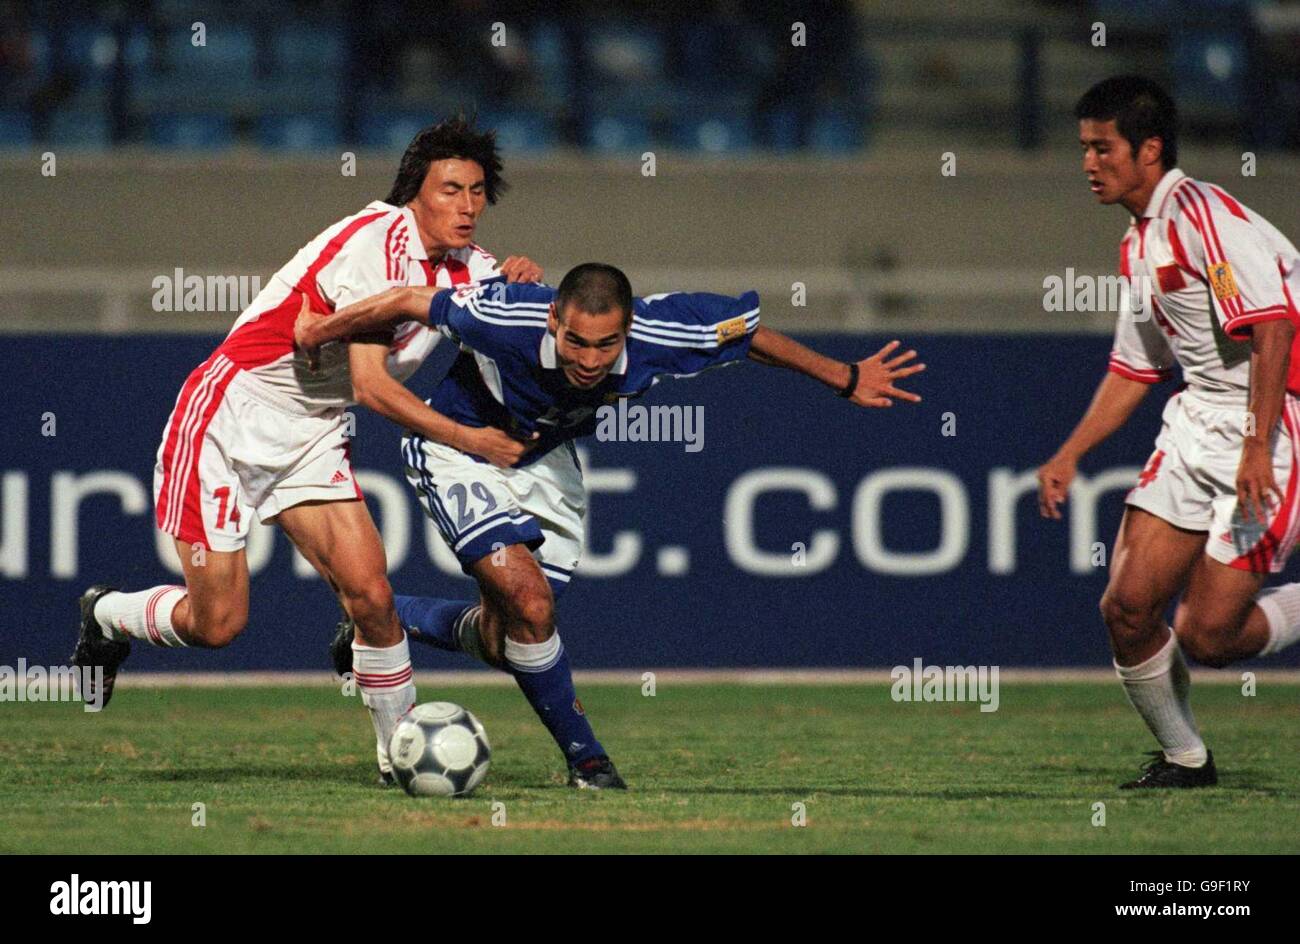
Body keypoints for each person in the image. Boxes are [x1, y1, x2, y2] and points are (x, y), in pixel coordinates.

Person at [295, 262, 926, 789]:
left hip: (548, 466)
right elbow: (408, 298)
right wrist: (319, 329)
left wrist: (845, 378)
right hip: (462, 448)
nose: (590, 360)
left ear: (628, 329)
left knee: (509, 637)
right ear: (553, 321)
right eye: (575, 342)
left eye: (606, 344)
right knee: (531, 602)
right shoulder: (506, 314)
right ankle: (588, 761)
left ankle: (379, 618)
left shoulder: (665, 329)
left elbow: (751, 334)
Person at [71, 118, 543, 785]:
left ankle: (397, 758)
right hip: (229, 418)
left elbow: (515, 325)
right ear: (416, 193)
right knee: (218, 622)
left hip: (314, 430)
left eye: (476, 190)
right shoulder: (374, 245)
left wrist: (522, 288)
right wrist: (470, 440)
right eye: (449, 189)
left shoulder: (475, 269)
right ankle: (106, 614)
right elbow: (374, 386)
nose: (466, 205)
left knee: (372, 598)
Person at [1037, 76, 1300, 788]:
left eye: (1103, 148)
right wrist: (1071, 453)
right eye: (1084, 148)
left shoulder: (1203, 214)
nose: (1089, 163)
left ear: (1149, 149)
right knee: (1125, 608)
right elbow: (1134, 368)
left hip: (1272, 426)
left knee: (1209, 637)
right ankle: (1187, 760)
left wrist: (1254, 443)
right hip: (1195, 423)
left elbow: (1275, 325)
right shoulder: (1140, 242)